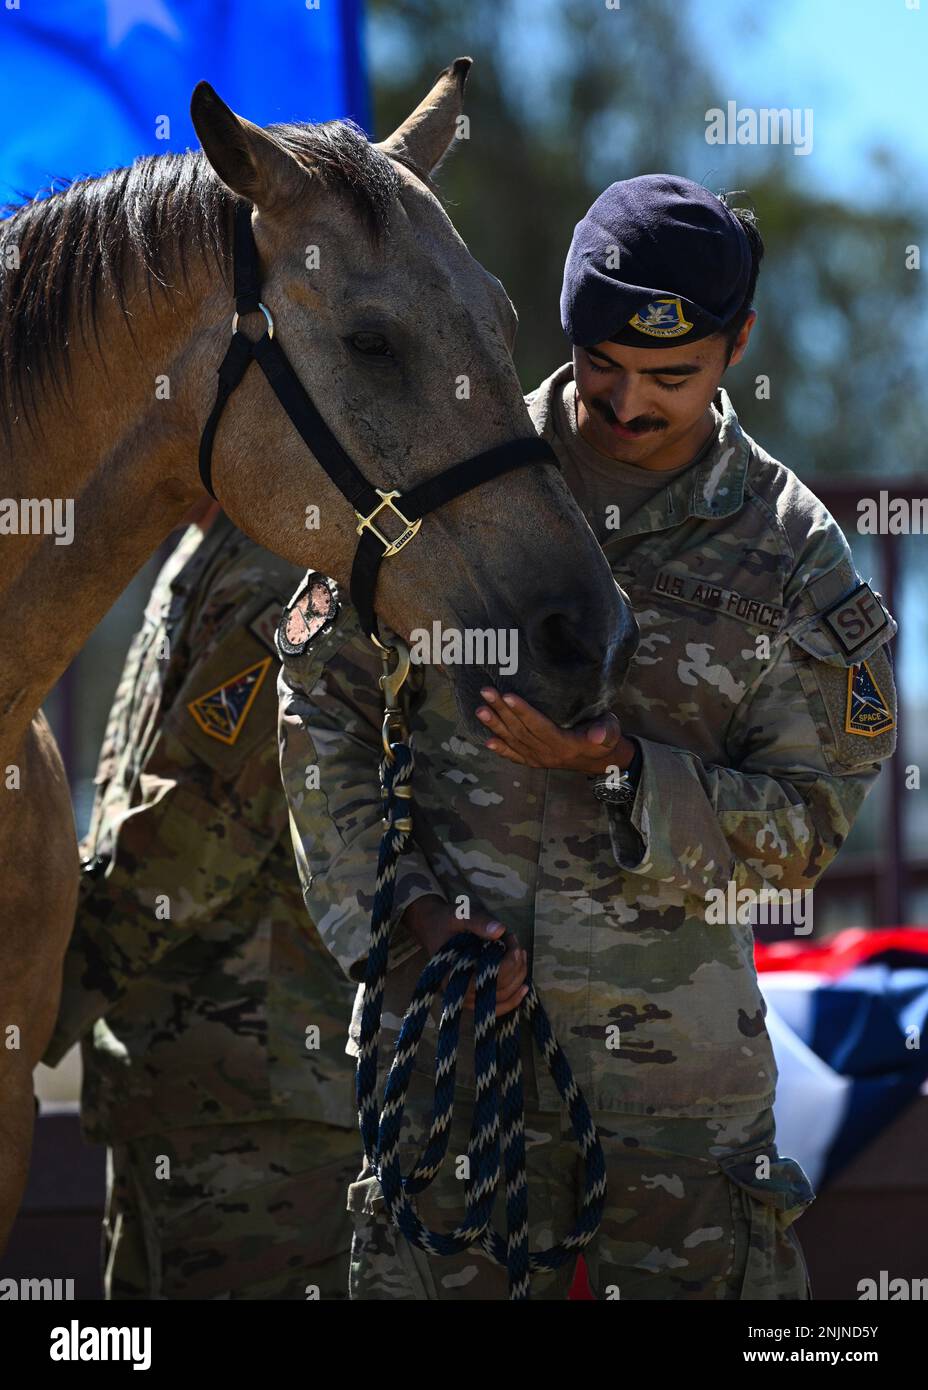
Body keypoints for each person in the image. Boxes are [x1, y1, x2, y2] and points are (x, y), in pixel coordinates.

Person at [275, 175, 898, 1300]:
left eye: (672, 376)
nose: (628, 403)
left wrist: (621, 773)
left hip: (674, 1107)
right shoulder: (443, 481)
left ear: (736, 344)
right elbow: (320, 707)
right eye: (603, 364)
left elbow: (804, 828)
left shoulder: (792, 551)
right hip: (448, 1072)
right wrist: (409, 912)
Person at [43, 500, 358, 1300]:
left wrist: (37, 991)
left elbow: (200, 826)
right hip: (174, 1087)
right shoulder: (205, 541)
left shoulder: (280, 566)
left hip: (255, 1112)